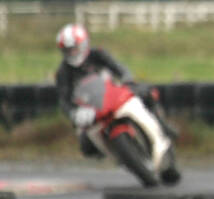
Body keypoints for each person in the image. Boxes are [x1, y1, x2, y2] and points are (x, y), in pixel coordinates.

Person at [54, 23, 176, 155]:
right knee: (85, 145)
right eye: (68, 50)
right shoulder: (63, 72)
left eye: (74, 48)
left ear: (83, 44)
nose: (72, 52)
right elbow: (64, 99)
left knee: (147, 93)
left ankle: (163, 125)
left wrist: (127, 79)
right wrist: (74, 113)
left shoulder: (98, 54)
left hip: (115, 93)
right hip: (91, 109)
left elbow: (119, 68)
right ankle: (111, 153)